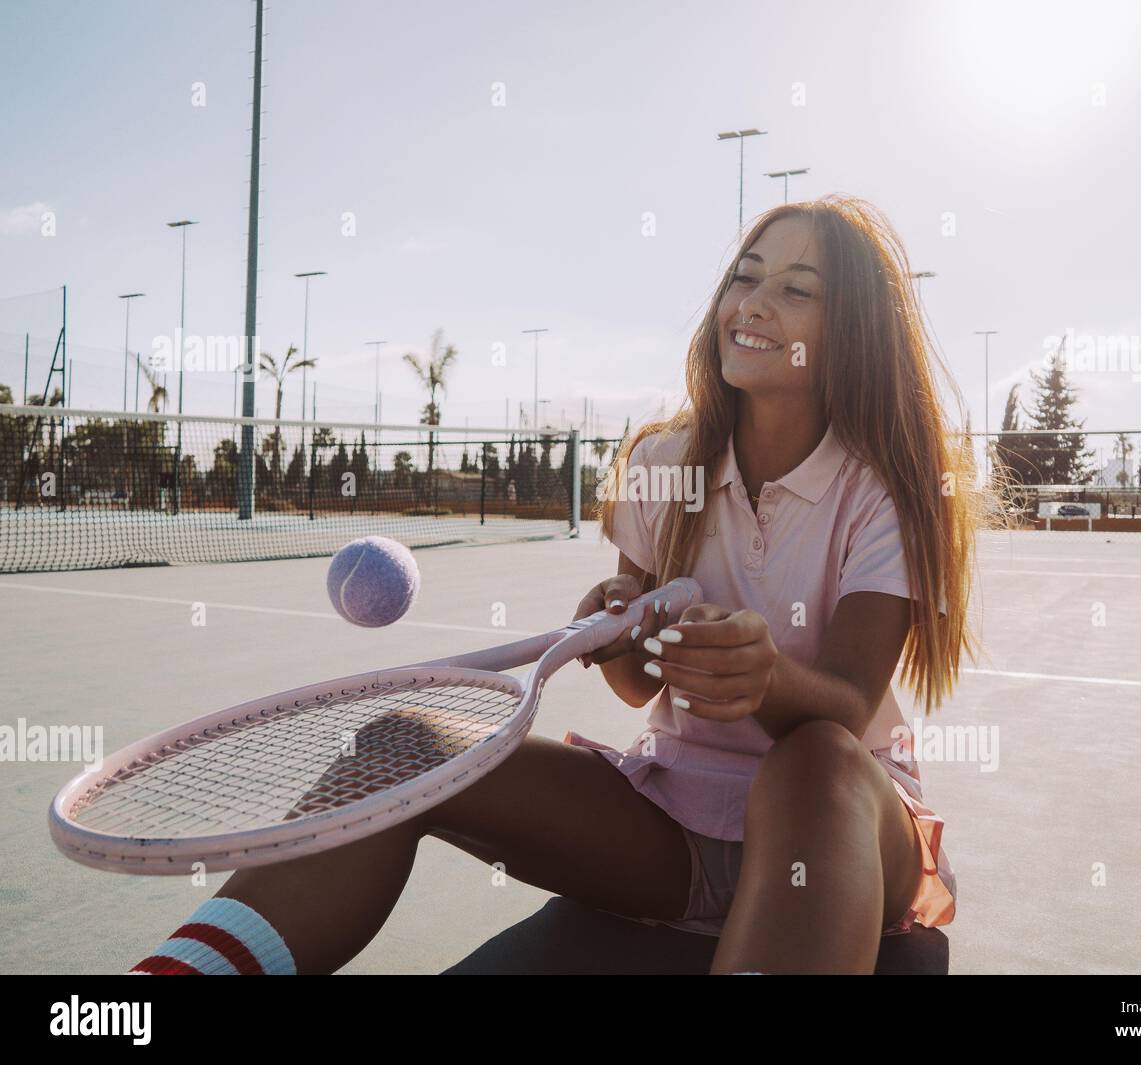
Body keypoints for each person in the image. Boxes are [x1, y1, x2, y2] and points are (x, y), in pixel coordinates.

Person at [130, 195, 983, 976]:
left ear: (854, 333)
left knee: (815, 759)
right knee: (399, 744)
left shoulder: (886, 487)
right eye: (743, 277)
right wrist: (624, 632)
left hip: (837, 839)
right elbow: (634, 682)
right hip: (673, 831)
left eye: (797, 290)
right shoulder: (663, 463)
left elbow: (842, 699)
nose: (752, 304)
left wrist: (763, 680)